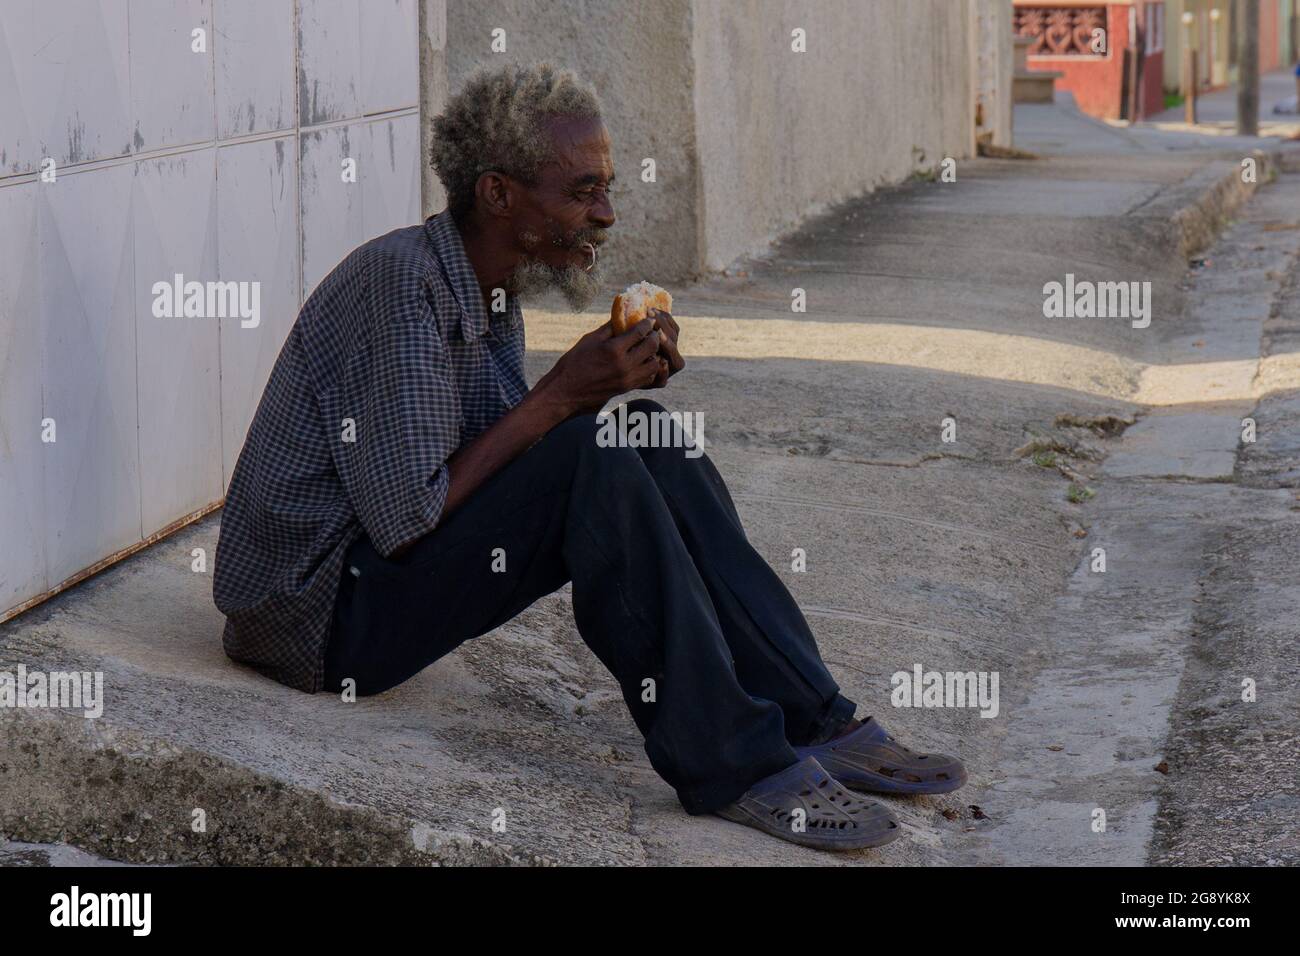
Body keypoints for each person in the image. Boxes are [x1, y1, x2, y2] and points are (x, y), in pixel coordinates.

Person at [213, 62, 966, 852]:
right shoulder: (400, 285)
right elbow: (410, 519)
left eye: (605, 188)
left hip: (376, 581)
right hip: (317, 622)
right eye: (579, 192)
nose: (604, 213)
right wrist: (564, 396)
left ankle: (816, 719)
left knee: (645, 432)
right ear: (498, 194)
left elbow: (499, 459)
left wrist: (607, 383)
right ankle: (734, 765)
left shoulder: (490, 287)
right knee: (585, 450)